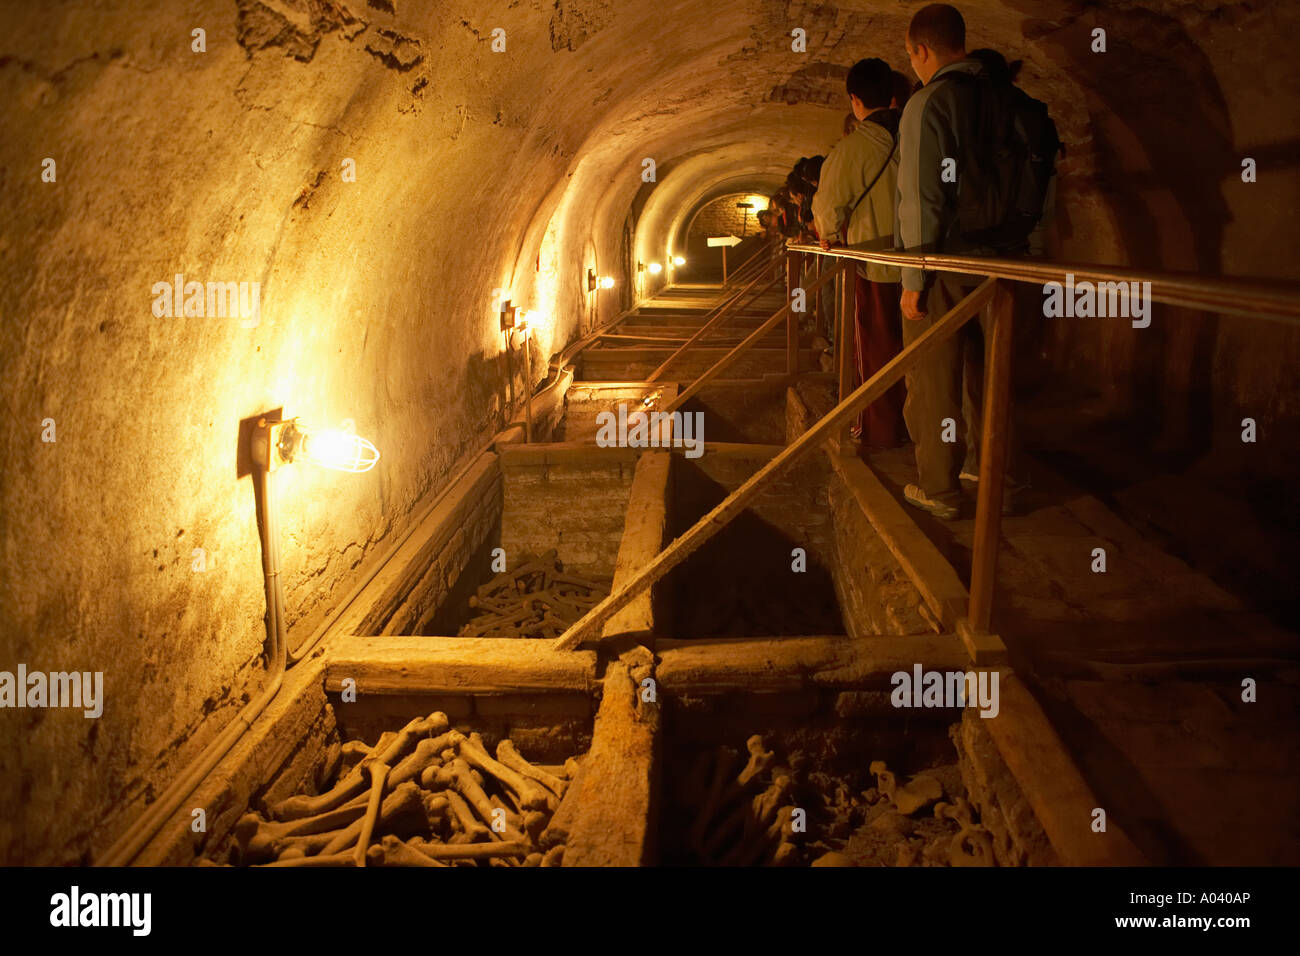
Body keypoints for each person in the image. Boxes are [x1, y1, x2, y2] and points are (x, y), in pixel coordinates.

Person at [894, 4, 1040, 519]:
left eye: (912, 56)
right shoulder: (1009, 97)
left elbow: (922, 196)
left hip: (946, 262)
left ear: (922, 50)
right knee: (994, 374)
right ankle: (1001, 477)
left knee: (934, 380)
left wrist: (913, 277)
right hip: (1008, 262)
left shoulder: (929, 104)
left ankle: (940, 488)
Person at [811, 57, 907, 449]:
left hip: (876, 267)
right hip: (926, 262)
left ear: (854, 99)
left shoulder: (852, 149)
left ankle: (880, 431)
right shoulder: (918, 134)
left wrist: (829, 235)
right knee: (924, 353)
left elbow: (827, 210)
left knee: (877, 351)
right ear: (893, 95)